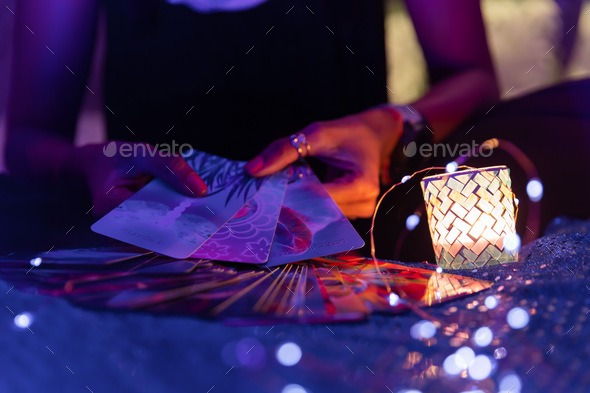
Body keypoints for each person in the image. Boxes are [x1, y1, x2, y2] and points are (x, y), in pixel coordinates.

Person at [5, 0, 589, 259]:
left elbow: (472, 79)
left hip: (360, 240)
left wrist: (394, 125)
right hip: (150, 258)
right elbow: (26, 139)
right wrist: (87, 162)